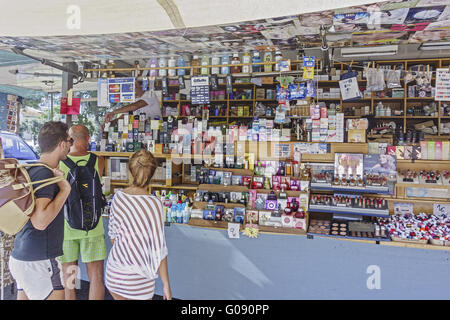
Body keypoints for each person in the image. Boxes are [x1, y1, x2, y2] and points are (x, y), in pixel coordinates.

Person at [8, 121, 72, 300]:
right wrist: (65, 190)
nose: (70, 146)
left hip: (21, 255)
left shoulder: (31, 169)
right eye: (70, 140)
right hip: (40, 260)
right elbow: (40, 221)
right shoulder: (45, 174)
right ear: (62, 144)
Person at [105, 149, 172, 300]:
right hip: (139, 281)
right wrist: (166, 284)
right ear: (154, 173)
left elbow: (113, 238)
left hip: (114, 274)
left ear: (130, 170)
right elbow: (159, 249)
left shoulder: (118, 197)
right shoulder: (155, 204)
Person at [59, 124, 106, 300]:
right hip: (93, 229)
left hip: (67, 229)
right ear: (88, 139)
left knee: (70, 280)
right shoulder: (98, 160)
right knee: (96, 278)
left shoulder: (60, 163)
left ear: (69, 140)